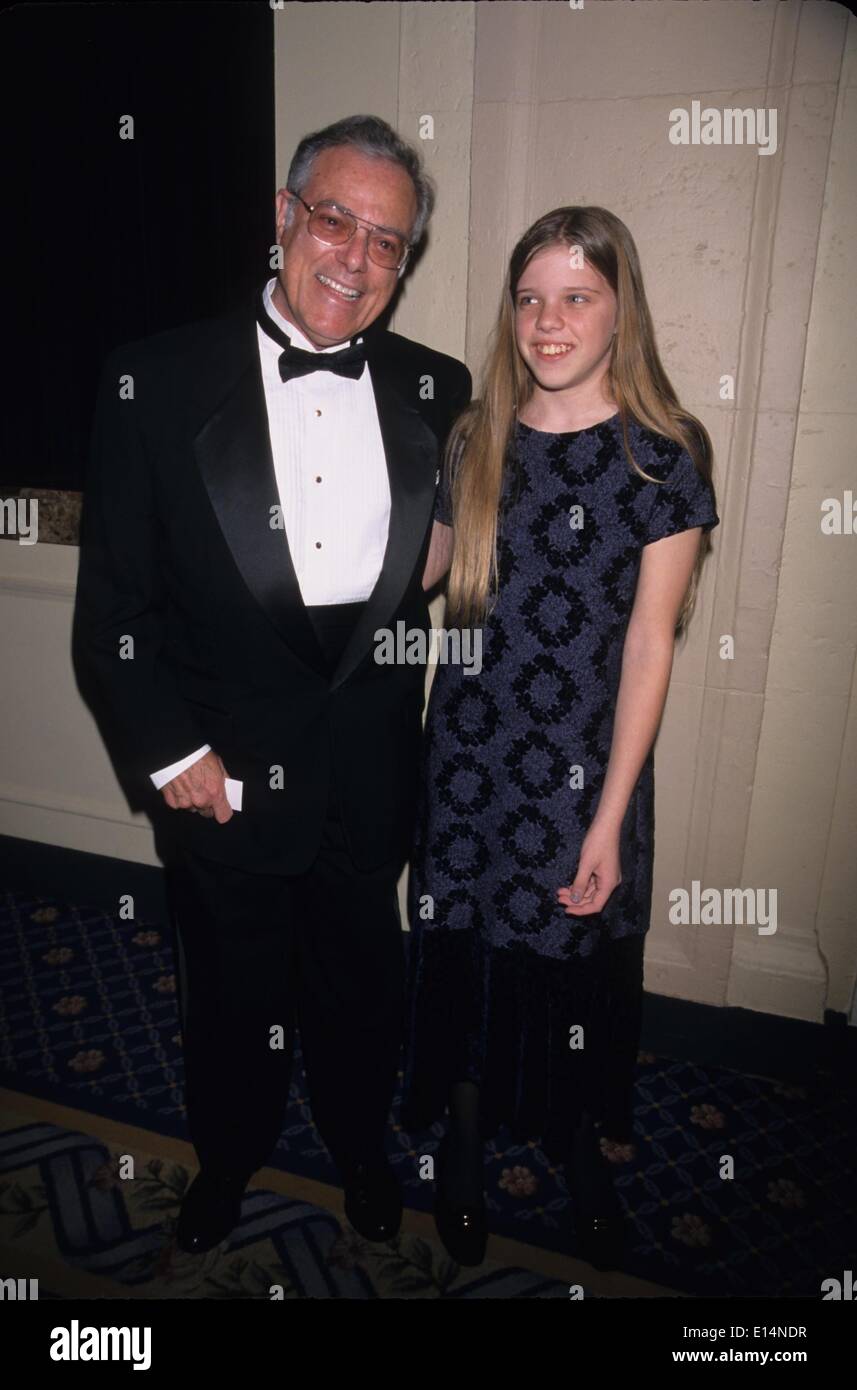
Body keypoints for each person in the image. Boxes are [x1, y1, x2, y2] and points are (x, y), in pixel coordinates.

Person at [73, 114, 470, 1254]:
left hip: (368, 773)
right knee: (233, 996)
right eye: (334, 220)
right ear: (284, 218)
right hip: (222, 772)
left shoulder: (438, 389)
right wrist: (169, 754)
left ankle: (359, 1146)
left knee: (359, 987)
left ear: (404, 262)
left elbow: (440, 564)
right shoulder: (151, 378)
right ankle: (228, 1158)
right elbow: (115, 614)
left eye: (386, 241)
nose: (353, 257)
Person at [401, 206, 719, 1270]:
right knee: (462, 951)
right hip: (470, 751)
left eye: (575, 295)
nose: (547, 319)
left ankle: (578, 1142)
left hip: (585, 763)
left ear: (619, 307)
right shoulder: (472, 434)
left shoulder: (659, 457)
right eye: (529, 296)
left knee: (577, 959)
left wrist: (610, 812)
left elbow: (647, 648)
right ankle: (459, 1134)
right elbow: (421, 574)